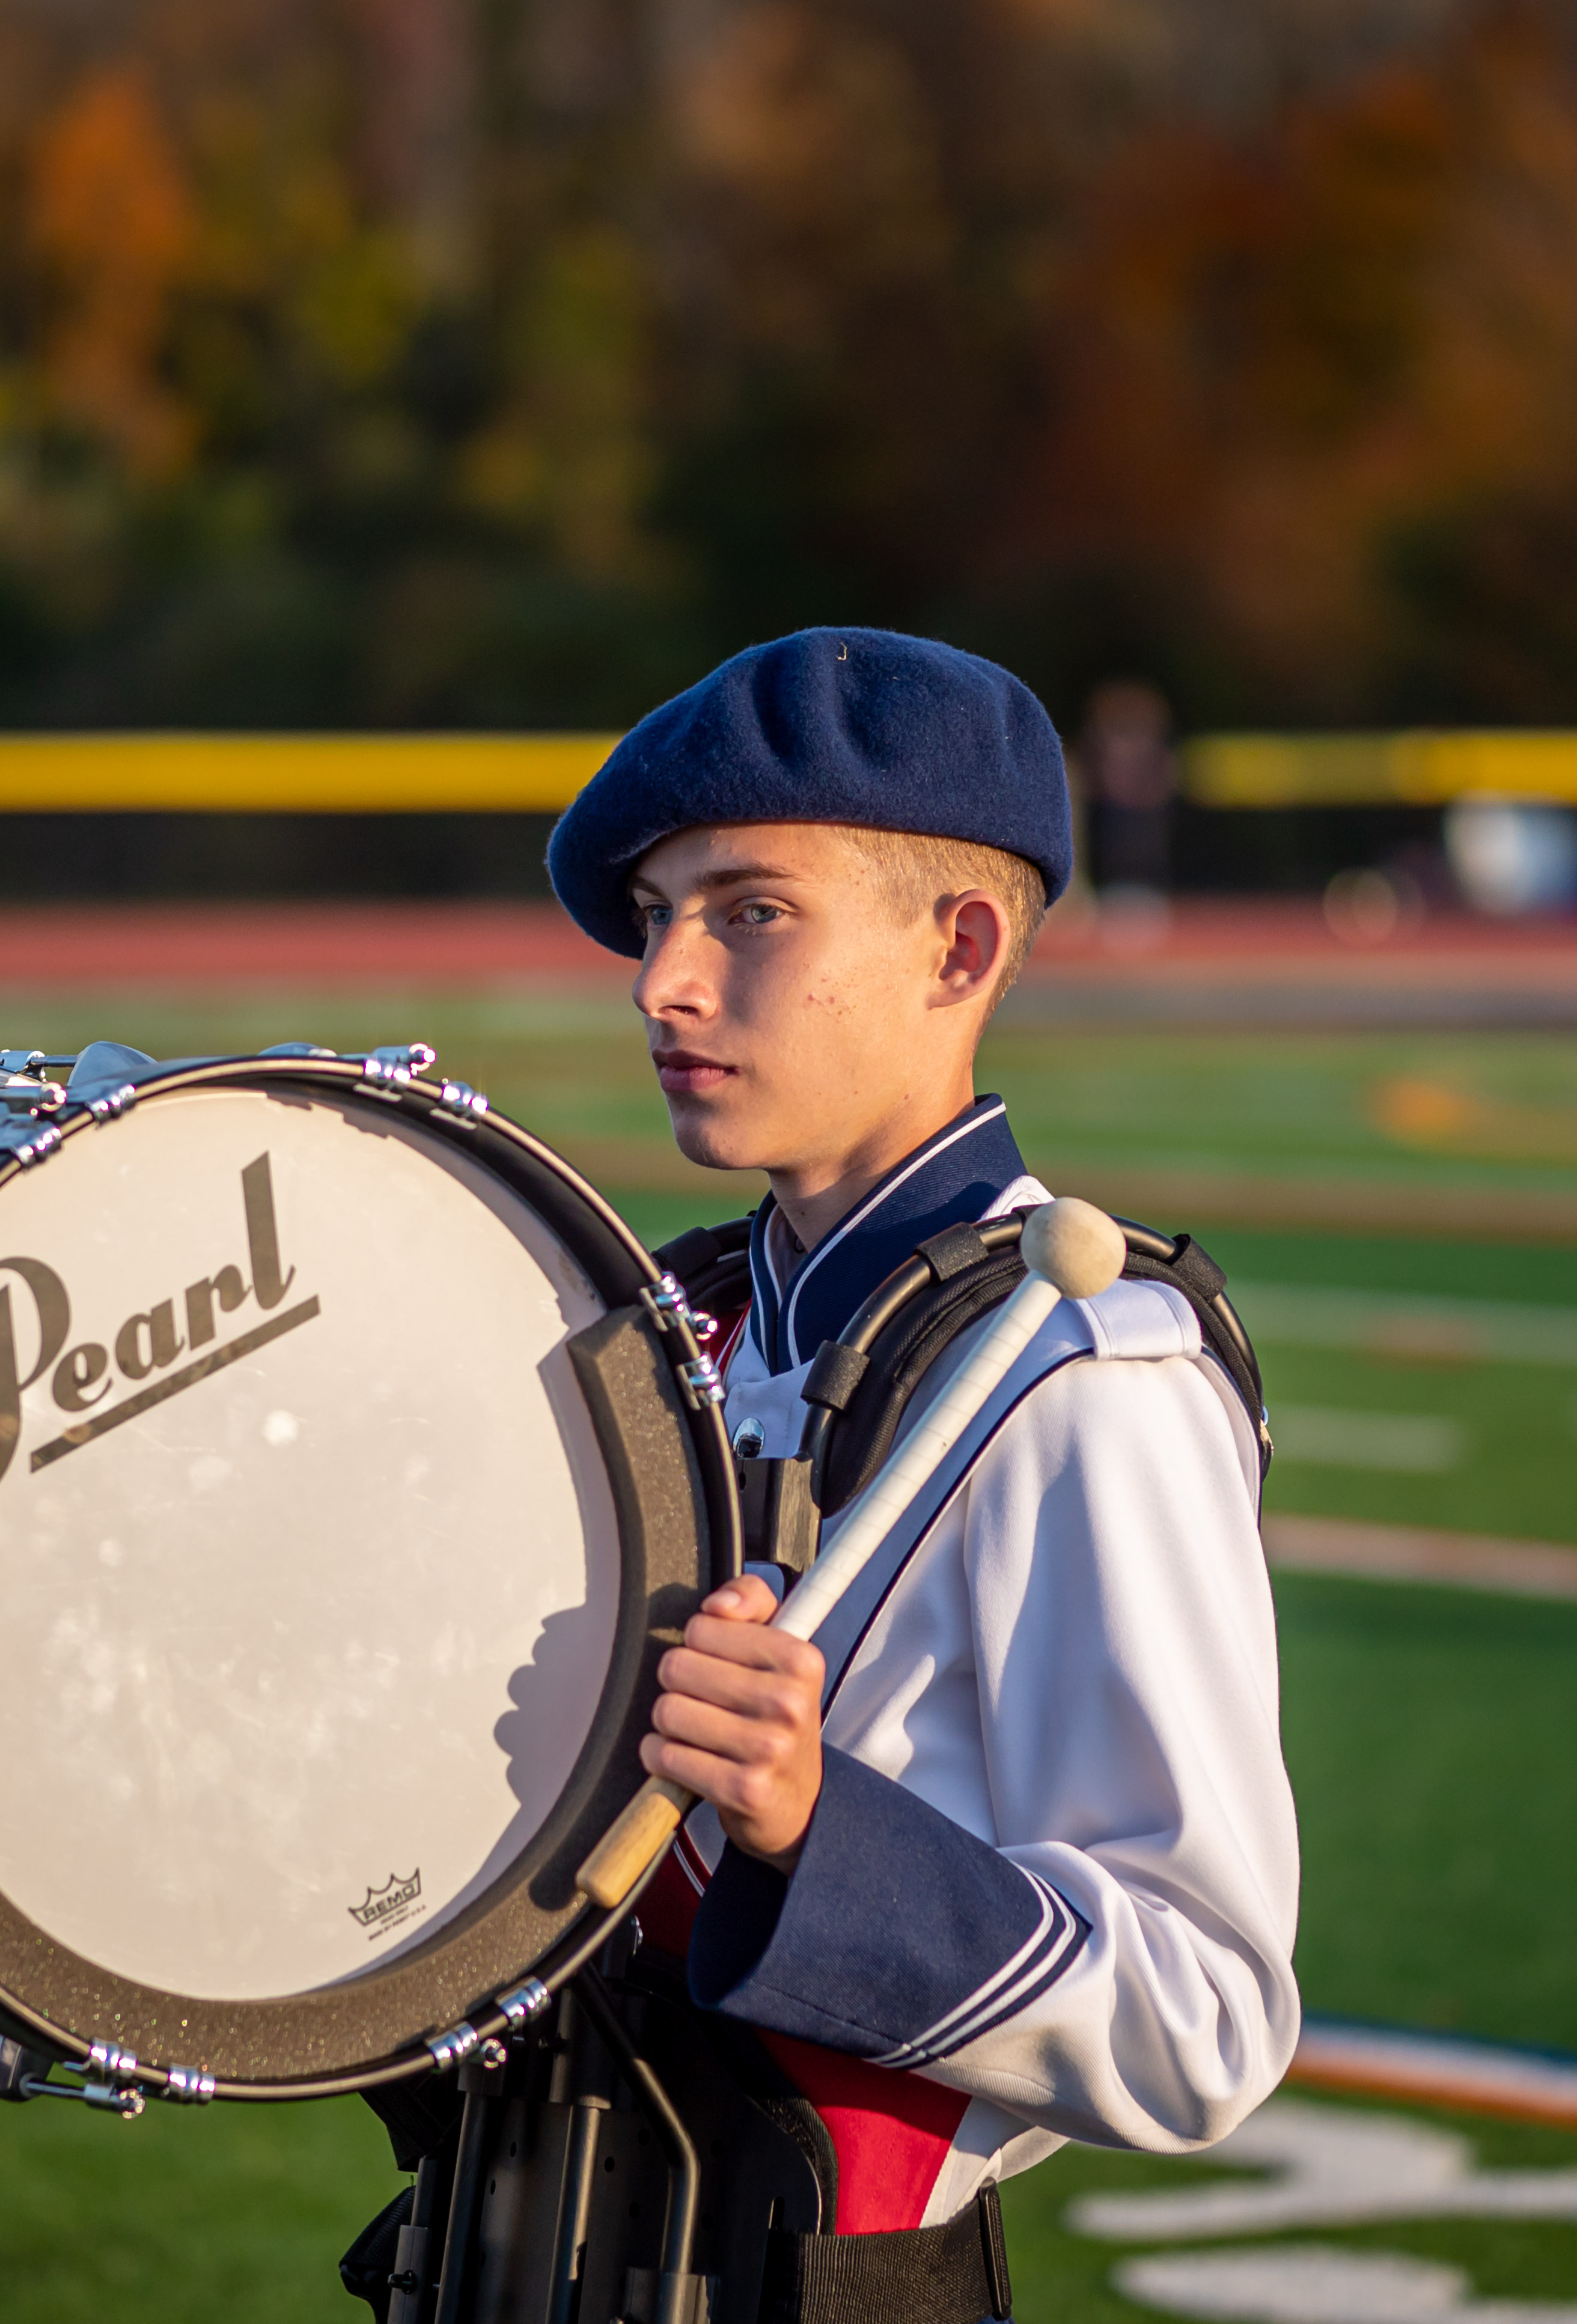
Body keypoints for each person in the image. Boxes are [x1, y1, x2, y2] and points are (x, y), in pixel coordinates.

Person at [538, 624, 1301, 2310]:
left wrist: (817, 1834)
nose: (664, 980)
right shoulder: (670, 1330)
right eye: (659, 919)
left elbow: (1205, 2017)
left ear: (958, 947)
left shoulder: (1087, 1378)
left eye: (747, 913)